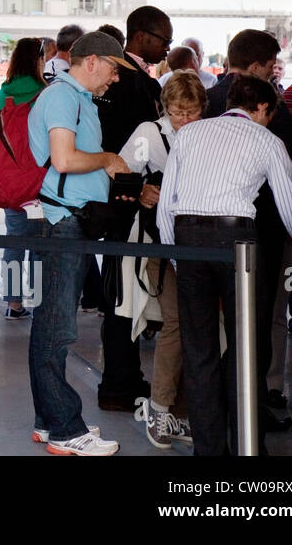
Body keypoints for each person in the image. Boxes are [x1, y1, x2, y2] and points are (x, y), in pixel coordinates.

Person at [156, 74, 292, 456]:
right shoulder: (267, 139)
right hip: (237, 240)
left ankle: (208, 450)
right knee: (246, 348)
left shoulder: (189, 134)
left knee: (198, 349)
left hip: (188, 237)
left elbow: (165, 209)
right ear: (261, 109)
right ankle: (246, 444)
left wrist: (178, 257)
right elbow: (290, 209)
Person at [26, 30, 134, 455]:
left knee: (51, 323)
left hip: (72, 221)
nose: (116, 78)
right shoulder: (63, 98)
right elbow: (63, 159)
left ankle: (50, 419)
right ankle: (66, 430)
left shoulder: (76, 99)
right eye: (113, 69)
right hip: (64, 221)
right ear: (91, 61)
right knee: (57, 328)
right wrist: (107, 159)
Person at [202, 29, 292, 436]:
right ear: (261, 65)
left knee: (209, 329)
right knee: (257, 325)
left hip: (203, 235)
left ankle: (215, 412)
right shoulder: (267, 106)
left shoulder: (207, 101)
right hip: (259, 231)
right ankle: (251, 409)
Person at [118, 70, 205, 449]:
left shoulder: (208, 132)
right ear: (163, 108)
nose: (185, 119)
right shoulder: (149, 133)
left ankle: (181, 412)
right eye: (177, 112)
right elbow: (120, 171)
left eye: (192, 112)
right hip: (162, 242)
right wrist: (141, 191)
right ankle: (160, 409)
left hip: (199, 241)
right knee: (177, 323)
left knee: (200, 328)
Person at [93, 4, 172, 413]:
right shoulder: (131, 82)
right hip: (128, 202)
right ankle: (119, 381)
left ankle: (123, 378)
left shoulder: (132, 79)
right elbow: (129, 145)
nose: (168, 47)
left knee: (123, 293)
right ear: (141, 35)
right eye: (164, 39)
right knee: (122, 294)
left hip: (122, 199)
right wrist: (138, 186)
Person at [0, 36, 47, 318]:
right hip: (39, 181)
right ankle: (38, 300)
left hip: (12, 179)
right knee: (39, 243)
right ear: (39, 60)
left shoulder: (5, 92)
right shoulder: (45, 92)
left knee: (14, 241)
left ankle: (13, 303)